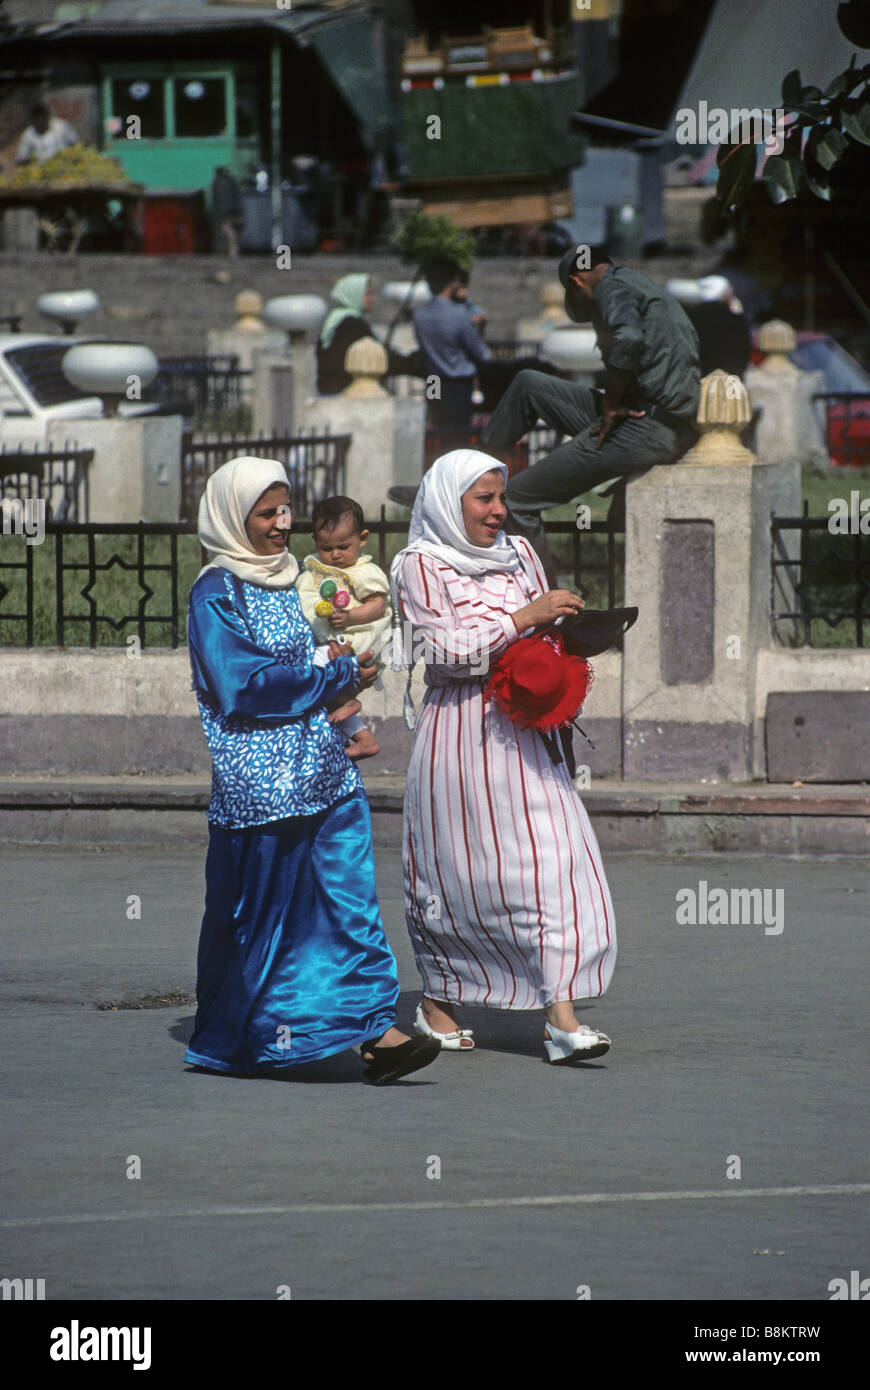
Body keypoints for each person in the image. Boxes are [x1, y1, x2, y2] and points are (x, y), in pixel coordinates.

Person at [184, 455, 440, 1085]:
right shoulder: (217, 592)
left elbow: (312, 657)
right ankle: (254, 1040)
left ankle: (376, 1032)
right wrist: (334, 673)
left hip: (325, 771)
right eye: (266, 513)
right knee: (268, 921)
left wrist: (345, 682)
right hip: (263, 788)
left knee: (347, 906)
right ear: (231, 517)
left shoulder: (295, 577)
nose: (282, 524)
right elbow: (246, 686)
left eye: (285, 510)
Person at [391, 449, 616, 1063]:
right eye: (483, 499)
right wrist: (525, 618)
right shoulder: (419, 564)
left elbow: (542, 630)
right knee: (456, 873)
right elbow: (441, 651)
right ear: (448, 502)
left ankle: (561, 1017)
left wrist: (571, 634)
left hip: (528, 731)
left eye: (500, 498)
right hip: (461, 735)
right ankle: (440, 1001)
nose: (498, 511)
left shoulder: (520, 552)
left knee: (551, 862)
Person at [480, 244, 701, 586]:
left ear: (577, 281)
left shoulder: (611, 288)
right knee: (529, 384)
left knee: (518, 500)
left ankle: (552, 606)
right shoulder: (636, 284)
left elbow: (627, 339)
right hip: (649, 416)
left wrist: (611, 402)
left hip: (648, 427)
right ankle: (467, 476)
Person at [296, 495, 392, 761]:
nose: (335, 554)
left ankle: (349, 703)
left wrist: (351, 617)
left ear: (362, 539)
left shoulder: (363, 570)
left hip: (359, 639)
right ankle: (363, 738)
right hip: (334, 642)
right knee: (325, 696)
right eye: (326, 547)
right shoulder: (315, 568)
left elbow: (378, 604)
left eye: (343, 546)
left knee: (311, 670)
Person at [413, 257, 491, 429]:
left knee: (436, 424)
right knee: (456, 432)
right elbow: (482, 353)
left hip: (433, 380)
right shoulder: (460, 314)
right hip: (458, 383)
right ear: (451, 283)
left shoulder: (419, 315)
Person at [316, 272, 419, 395]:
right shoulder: (352, 325)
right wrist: (415, 363)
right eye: (368, 294)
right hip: (346, 396)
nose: (372, 299)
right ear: (354, 294)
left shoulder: (334, 321)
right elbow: (377, 358)